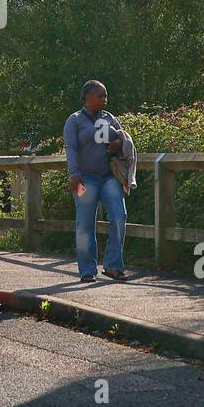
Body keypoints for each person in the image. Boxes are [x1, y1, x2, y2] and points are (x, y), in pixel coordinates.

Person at [63, 80, 136, 282]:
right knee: (84, 224)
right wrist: (74, 173)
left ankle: (113, 266)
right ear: (88, 97)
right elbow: (71, 149)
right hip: (82, 178)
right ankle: (87, 271)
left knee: (120, 217)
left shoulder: (108, 118)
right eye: (101, 96)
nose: (105, 100)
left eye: (106, 96)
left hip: (108, 177)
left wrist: (117, 143)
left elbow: (124, 139)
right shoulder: (75, 121)